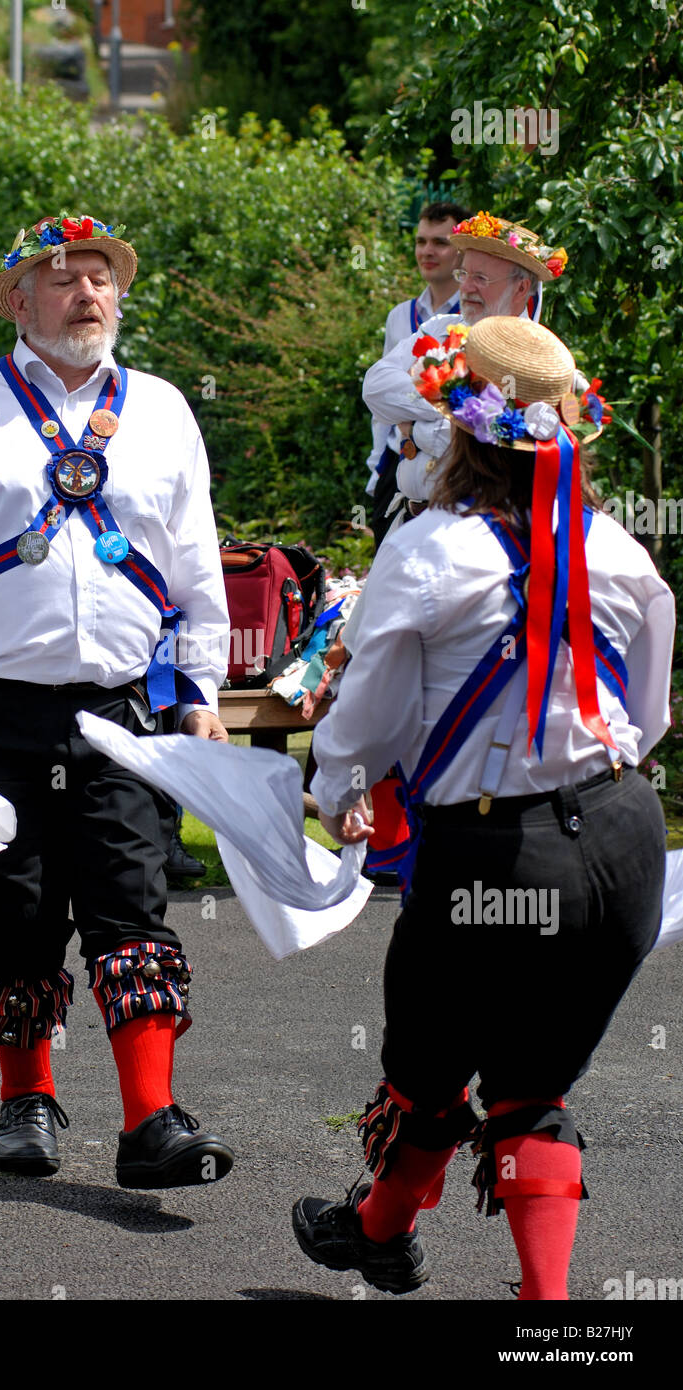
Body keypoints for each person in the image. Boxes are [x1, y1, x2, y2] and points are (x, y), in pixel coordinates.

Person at [293, 315, 674, 1299]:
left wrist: (333, 790)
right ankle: (513, 1298)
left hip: (499, 855)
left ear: (456, 433)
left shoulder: (426, 552)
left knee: (427, 1058)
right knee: (532, 1082)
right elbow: (649, 718)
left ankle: (382, 1229)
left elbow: (365, 722)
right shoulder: (623, 553)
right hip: (628, 844)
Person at [0, 213, 236, 1189]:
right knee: (17, 911)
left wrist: (200, 688)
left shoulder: (159, 410)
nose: (88, 293)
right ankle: (26, 1101)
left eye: (103, 278)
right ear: (17, 301)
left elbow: (197, 568)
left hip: (122, 710)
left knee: (133, 899)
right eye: (63, 278)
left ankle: (152, 1120)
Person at [363, 210, 555, 530]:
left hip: (481, 533)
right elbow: (375, 387)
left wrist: (415, 423)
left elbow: (506, 448)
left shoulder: (538, 355)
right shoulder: (441, 328)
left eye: (481, 278)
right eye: (463, 274)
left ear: (521, 289)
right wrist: (450, 404)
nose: (466, 288)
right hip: (410, 520)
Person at [365, 200, 470, 542]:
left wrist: (412, 415)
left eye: (440, 242)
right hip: (397, 462)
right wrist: (376, 464)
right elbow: (380, 398)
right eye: (421, 241)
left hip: (454, 466)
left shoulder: (475, 317)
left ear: (462, 251)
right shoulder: (400, 315)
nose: (427, 250)